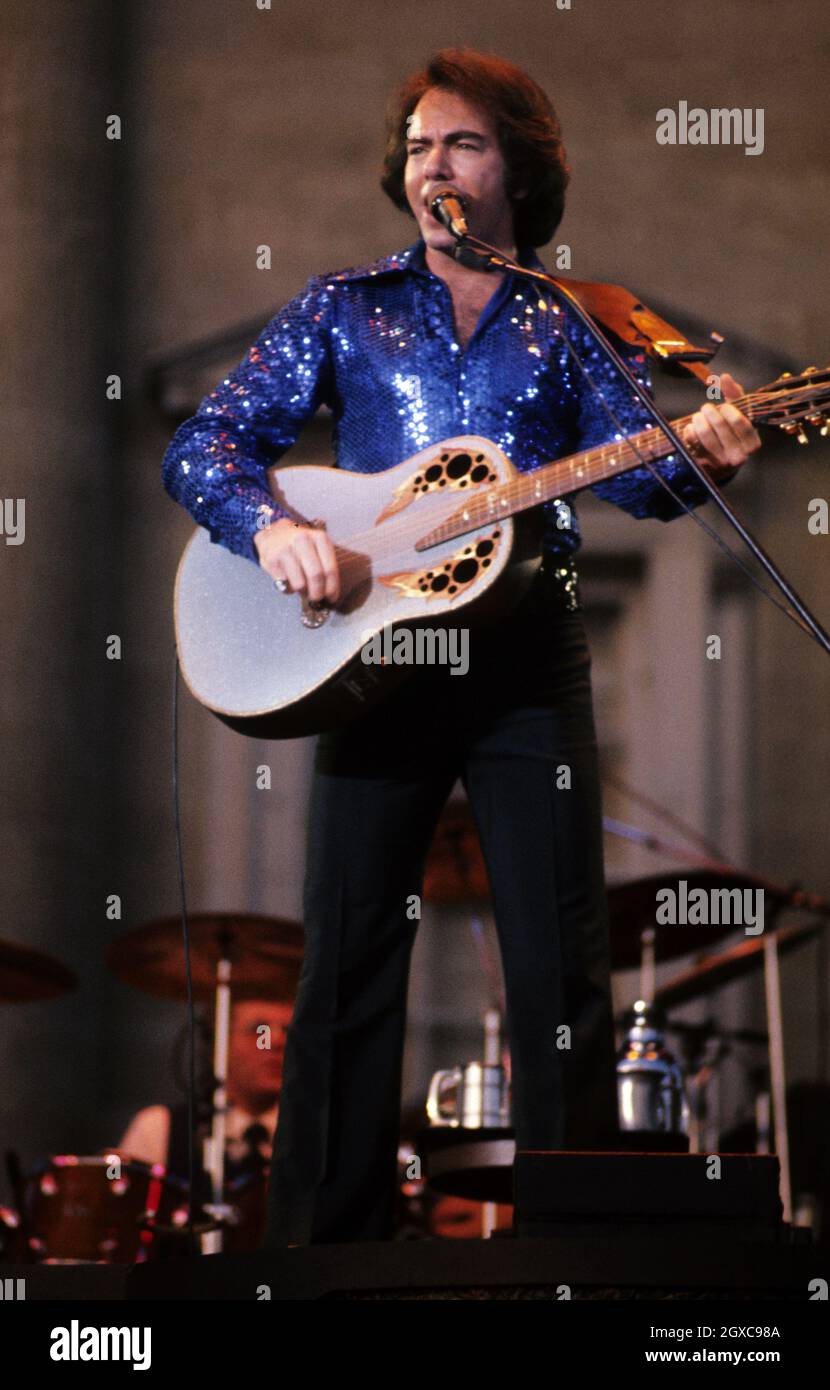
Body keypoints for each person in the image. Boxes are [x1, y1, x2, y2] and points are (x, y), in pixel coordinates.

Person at [161, 49, 761, 1245]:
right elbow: (205, 446)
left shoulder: (572, 321)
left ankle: (574, 1247)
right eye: (420, 144)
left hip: (528, 659)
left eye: (464, 143)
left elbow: (634, 487)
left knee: (559, 960)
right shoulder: (342, 306)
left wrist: (700, 456)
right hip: (373, 663)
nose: (434, 162)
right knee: (346, 957)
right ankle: (318, 1251)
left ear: (515, 174)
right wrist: (275, 529)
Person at [118, 997, 291, 1182]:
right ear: (216, 1046)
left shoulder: (316, 1135)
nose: (276, 1042)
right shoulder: (161, 1128)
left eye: (288, 1030)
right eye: (258, 1030)